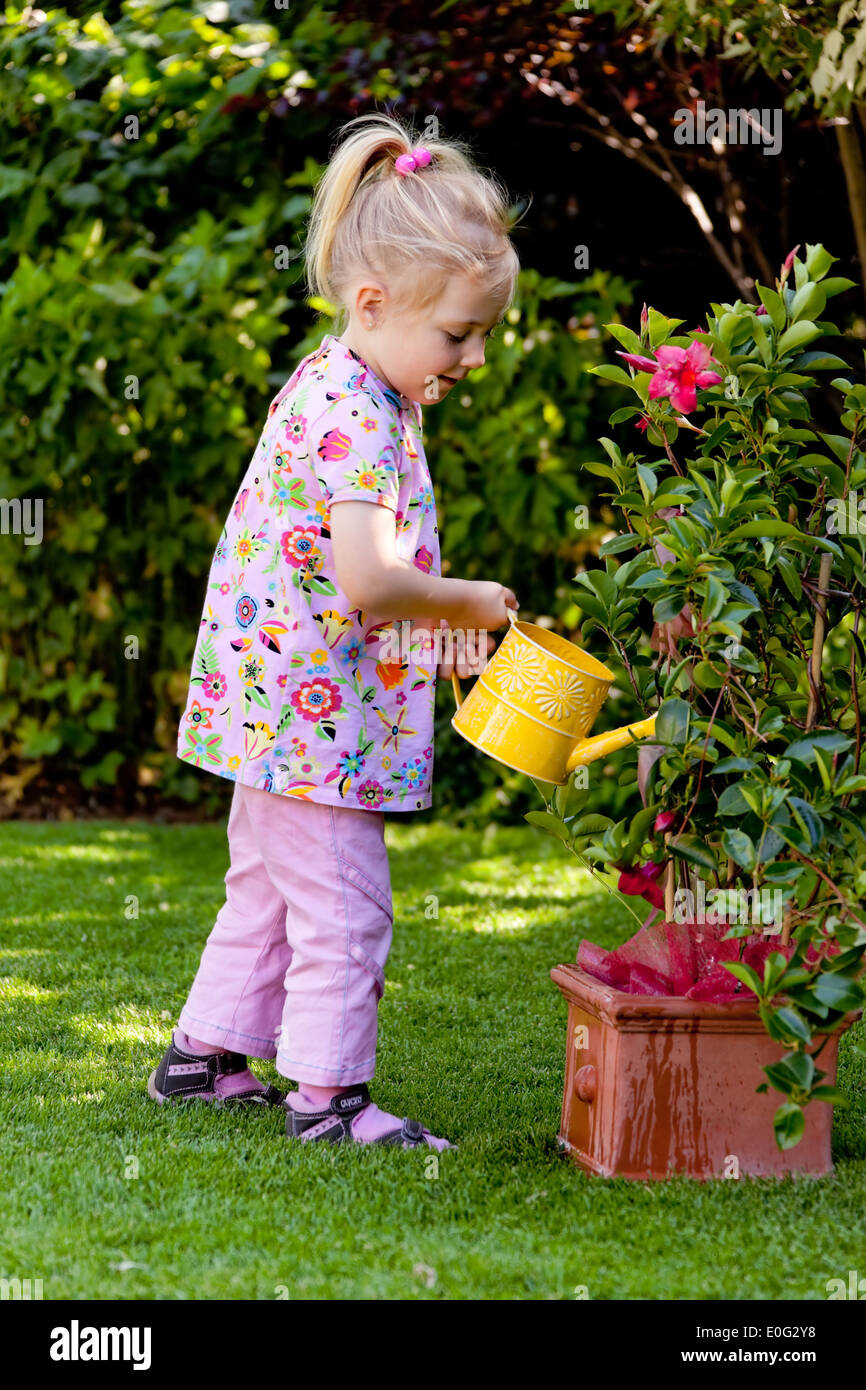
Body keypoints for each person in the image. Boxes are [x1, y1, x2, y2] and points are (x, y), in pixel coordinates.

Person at [148, 112, 521, 1148]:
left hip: (275, 706)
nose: (475, 354)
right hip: (311, 722)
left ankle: (205, 1055)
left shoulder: (344, 384)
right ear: (373, 303)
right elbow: (364, 577)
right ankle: (329, 1100)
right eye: (458, 332)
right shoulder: (357, 413)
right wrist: (472, 601)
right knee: (346, 906)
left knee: (267, 891)